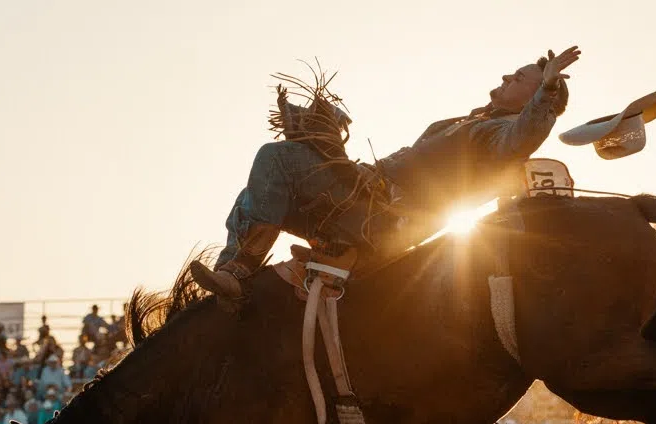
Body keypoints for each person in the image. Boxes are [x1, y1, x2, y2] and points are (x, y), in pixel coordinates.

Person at [190, 47, 580, 301]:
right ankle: (231, 278)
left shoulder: (496, 132)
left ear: (533, 96)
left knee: (275, 158)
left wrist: (547, 93)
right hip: (366, 199)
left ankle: (238, 271)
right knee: (254, 194)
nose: (504, 79)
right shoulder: (471, 122)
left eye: (517, 79)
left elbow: (520, 140)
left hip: (379, 218)